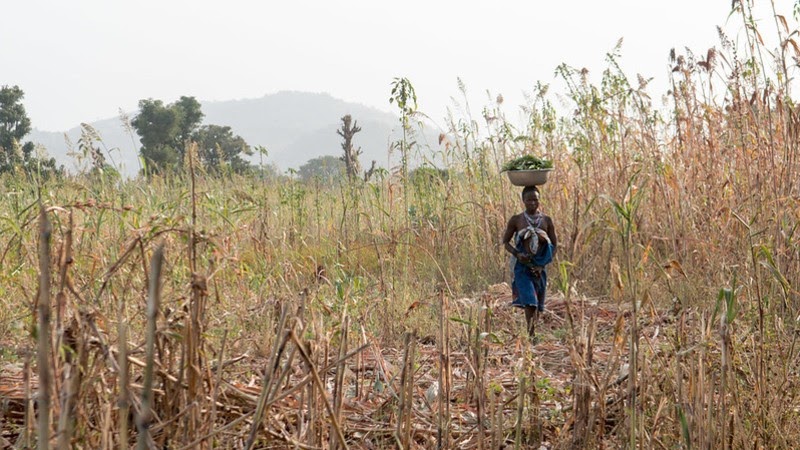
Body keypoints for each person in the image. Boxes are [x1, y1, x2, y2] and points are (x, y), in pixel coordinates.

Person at [502, 185, 558, 341]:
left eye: (535, 200)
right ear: (523, 201)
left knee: (538, 304)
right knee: (530, 302)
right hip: (522, 267)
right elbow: (505, 242)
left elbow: (554, 245)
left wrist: (543, 264)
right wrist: (518, 254)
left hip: (539, 267)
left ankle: (533, 332)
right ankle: (531, 335)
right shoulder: (516, 220)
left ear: (539, 200)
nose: (533, 203)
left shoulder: (546, 221)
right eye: (529, 200)